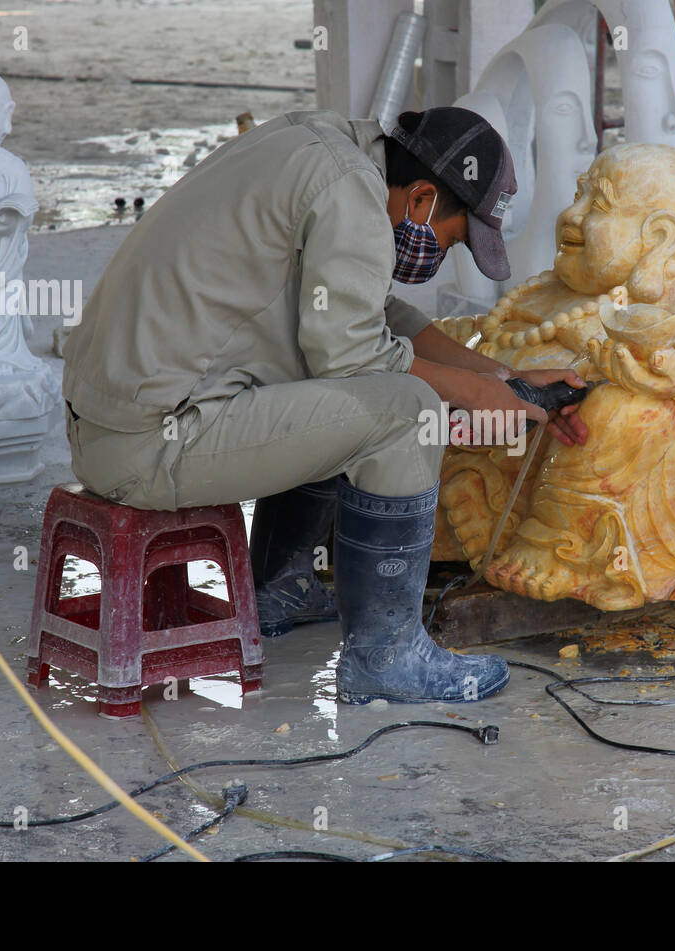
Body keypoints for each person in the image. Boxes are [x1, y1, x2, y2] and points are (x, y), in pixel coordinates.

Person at [61, 106, 588, 704]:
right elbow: (355, 358)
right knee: (403, 410)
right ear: (420, 201)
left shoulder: (328, 152)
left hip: (113, 422)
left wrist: (503, 376)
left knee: (349, 375)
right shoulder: (349, 194)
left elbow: (373, 314)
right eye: (456, 238)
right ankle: (384, 658)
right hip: (151, 442)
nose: (444, 255)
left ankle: (281, 589)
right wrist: (476, 396)